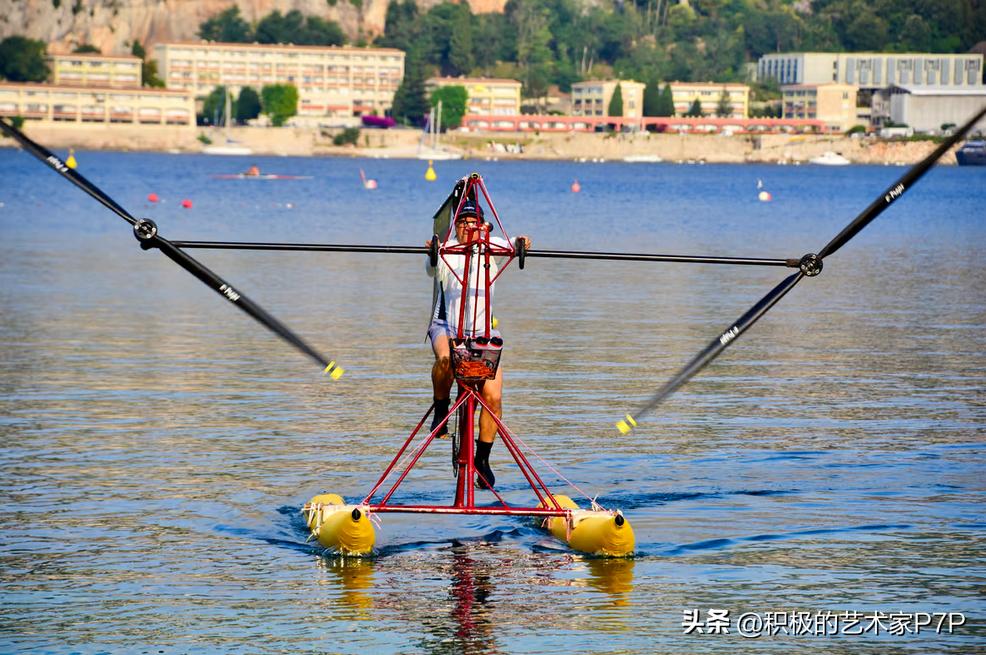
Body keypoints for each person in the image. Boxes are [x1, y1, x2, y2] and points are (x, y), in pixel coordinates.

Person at [425, 197, 531, 489]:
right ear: (456, 227)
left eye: (473, 223)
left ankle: (482, 458)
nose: (467, 228)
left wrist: (522, 242)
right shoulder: (447, 248)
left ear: (483, 226)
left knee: (494, 398)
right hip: (448, 327)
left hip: (483, 332)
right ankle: (440, 412)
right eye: (462, 223)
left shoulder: (491, 245)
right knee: (446, 360)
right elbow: (431, 267)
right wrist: (433, 251)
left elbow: (513, 243)